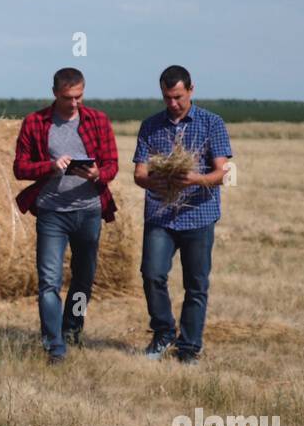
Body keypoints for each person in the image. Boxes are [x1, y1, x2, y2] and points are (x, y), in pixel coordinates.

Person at [14, 67, 119, 365]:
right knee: (49, 281)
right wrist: (49, 166)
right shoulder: (35, 123)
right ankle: (54, 346)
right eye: (67, 97)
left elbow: (112, 165)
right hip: (52, 213)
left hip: (89, 212)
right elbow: (20, 167)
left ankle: (72, 330)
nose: (74, 103)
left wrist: (98, 173)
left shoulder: (97, 120)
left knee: (83, 281)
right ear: (54, 93)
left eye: (79, 96)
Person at [132, 65, 233, 365]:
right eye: (167, 97)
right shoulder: (150, 126)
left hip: (199, 215)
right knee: (151, 274)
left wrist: (195, 179)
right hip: (161, 215)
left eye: (178, 96)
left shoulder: (212, 123)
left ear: (191, 90)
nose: (173, 103)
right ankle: (164, 332)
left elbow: (221, 173)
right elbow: (138, 173)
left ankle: (189, 348)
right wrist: (154, 181)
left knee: (196, 284)